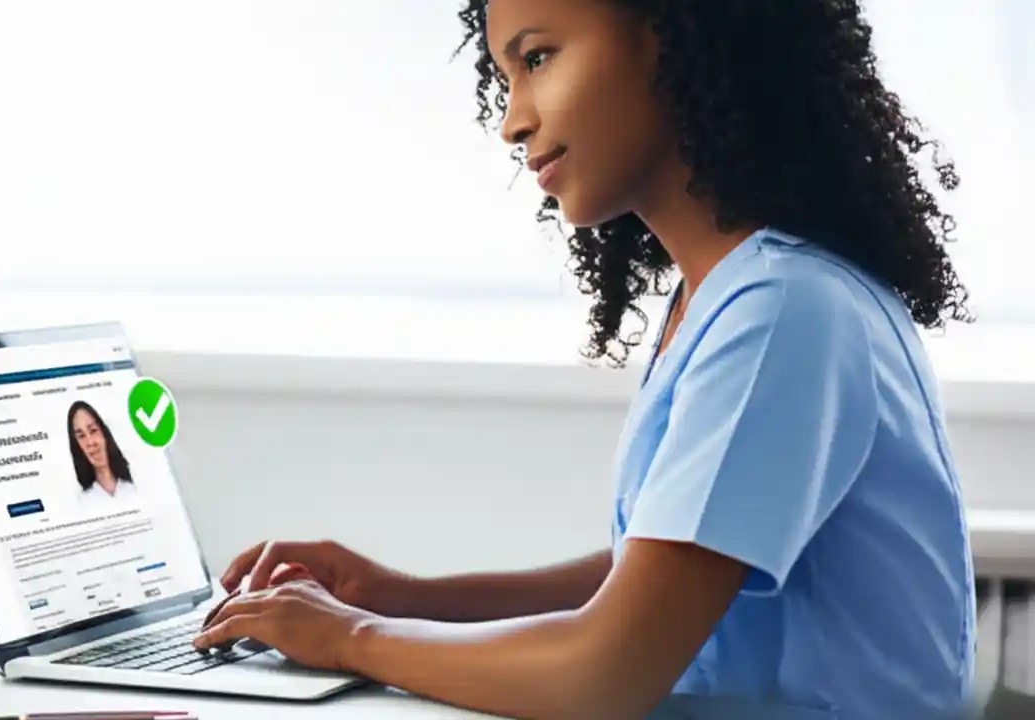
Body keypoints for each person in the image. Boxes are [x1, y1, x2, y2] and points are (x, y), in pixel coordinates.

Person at [194, 1, 976, 717]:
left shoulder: (783, 312)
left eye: (537, 59)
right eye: (506, 77)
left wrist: (348, 637)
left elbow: (605, 672)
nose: (513, 122)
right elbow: (650, 587)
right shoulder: (733, 295)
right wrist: (398, 598)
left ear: (671, 34)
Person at [67, 400, 137, 508]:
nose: (90, 442)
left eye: (93, 430)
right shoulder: (82, 503)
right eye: (81, 436)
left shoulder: (136, 480)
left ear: (104, 432)